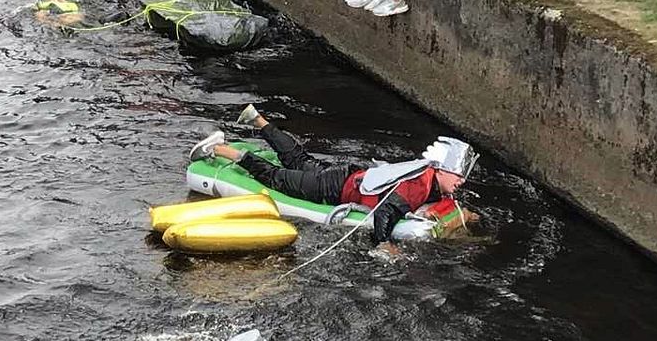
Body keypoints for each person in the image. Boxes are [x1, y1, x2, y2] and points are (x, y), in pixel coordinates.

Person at [188, 105, 481, 256]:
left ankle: (258, 119)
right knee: (277, 178)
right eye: (457, 175)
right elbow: (385, 213)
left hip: (345, 175)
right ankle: (220, 149)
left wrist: (465, 215)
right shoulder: (417, 184)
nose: (461, 182)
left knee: (299, 160)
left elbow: (440, 201)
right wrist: (383, 244)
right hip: (334, 188)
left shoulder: (426, 175)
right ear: (441, 169)